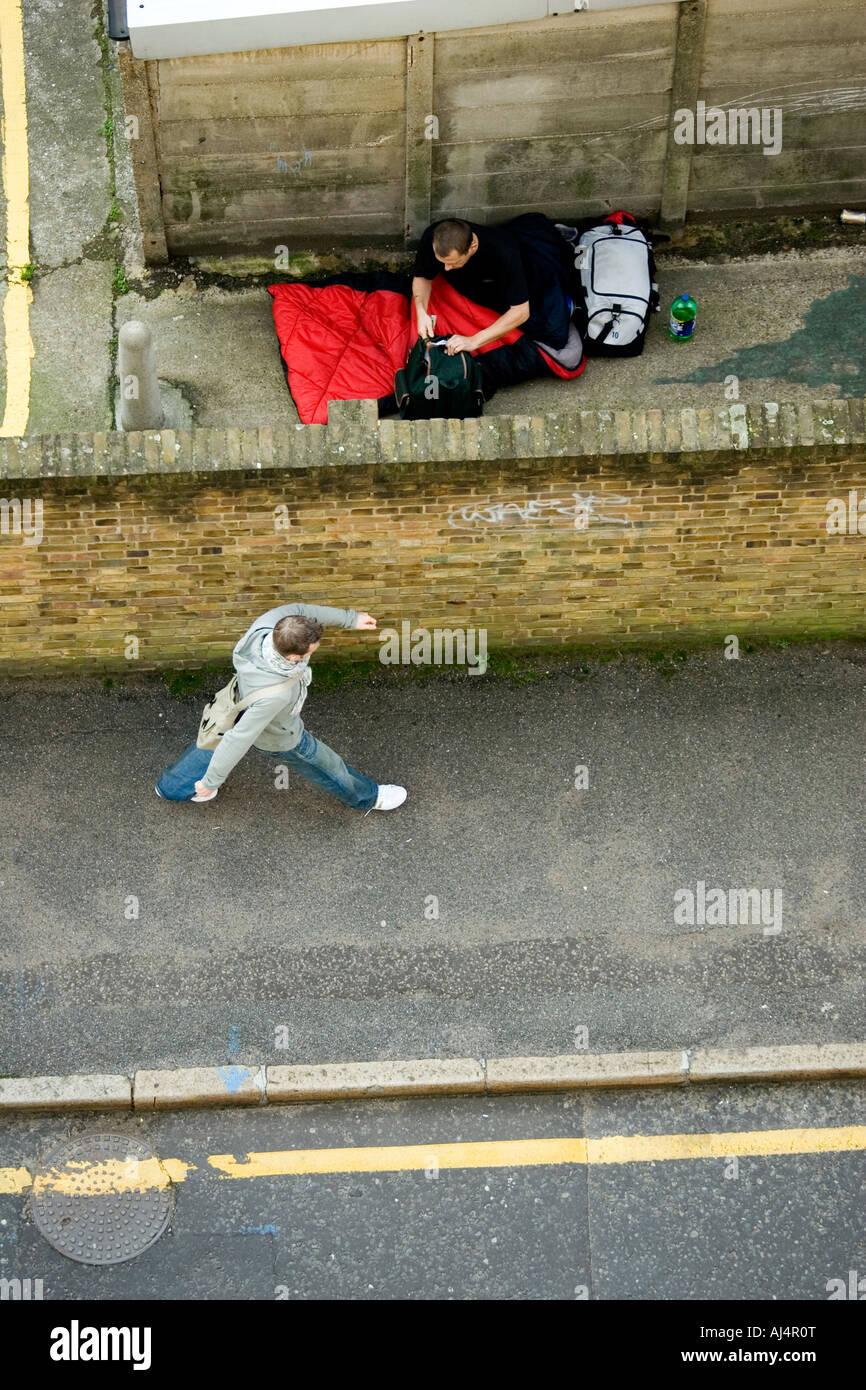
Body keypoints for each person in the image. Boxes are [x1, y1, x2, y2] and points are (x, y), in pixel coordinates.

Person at [180, 601, 406, 811]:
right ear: (293, 658)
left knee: (211, 747)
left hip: (244, 700)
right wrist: (211, 782)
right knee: (327, 765)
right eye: (311, 651)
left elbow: (300, 608)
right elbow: (238, 738)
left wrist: (351, 619)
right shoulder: (277, 694)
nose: (313, 652)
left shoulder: (267, 626)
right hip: (280, 738)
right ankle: (367, 797)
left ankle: (174, 787)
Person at [410, 214, 583, 395]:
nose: (445, 269)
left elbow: (520, 311)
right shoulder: (435, 237)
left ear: (472, 247)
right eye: (441, 262)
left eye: (452, 263)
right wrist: (421, 312)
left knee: (553, 334)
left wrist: (473, 341)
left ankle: (561, 248)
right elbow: (422, 277)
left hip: (519, 285)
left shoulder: (504, 252)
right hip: (478, 289)